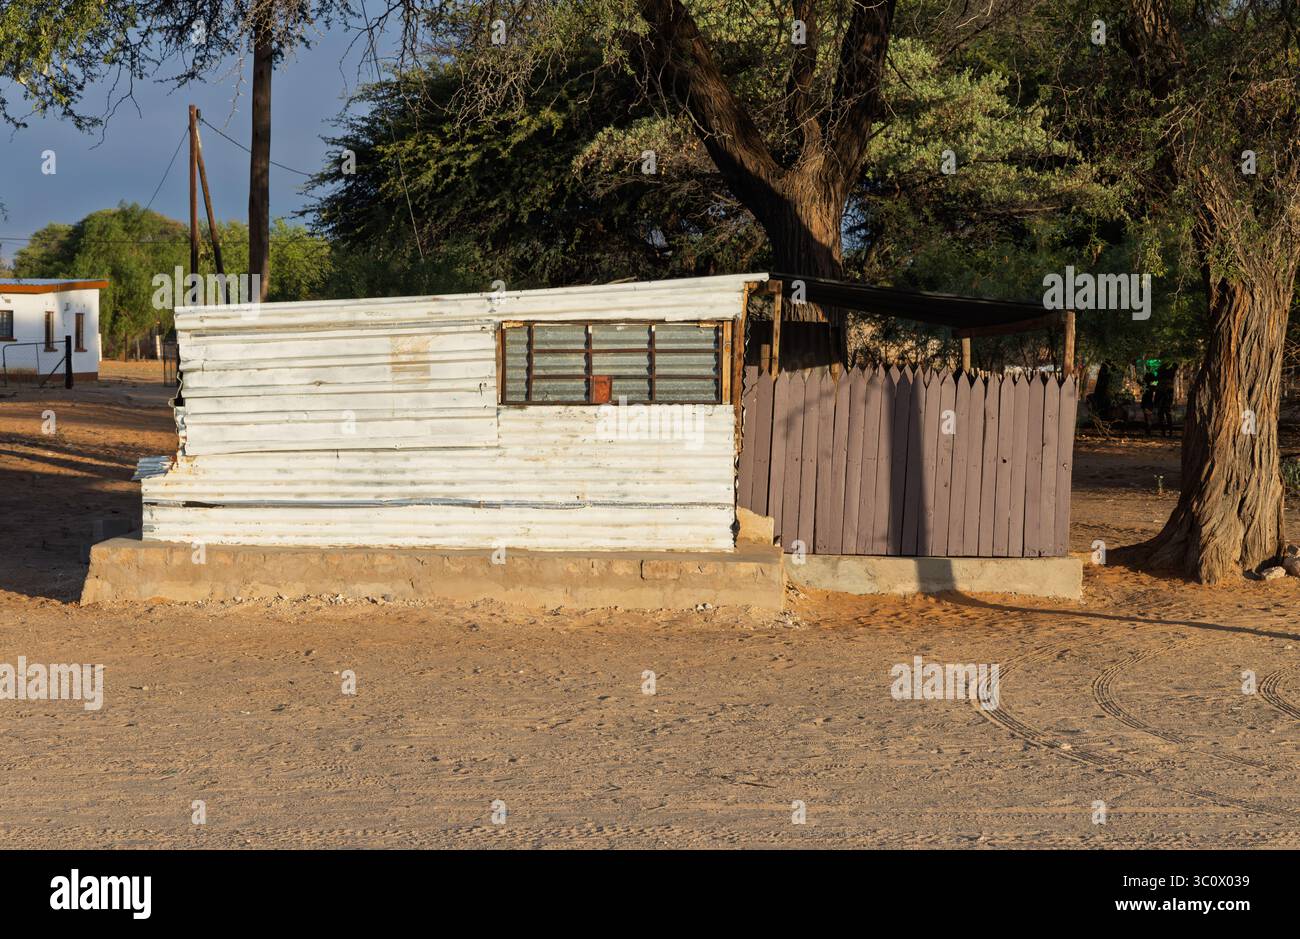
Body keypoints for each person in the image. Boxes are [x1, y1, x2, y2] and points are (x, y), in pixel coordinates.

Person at [1155, 361, 1179, 437]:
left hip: (1164, 396)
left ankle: (1166, 432)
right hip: (1166, 397)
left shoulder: (1162, 378)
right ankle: (1167, 432)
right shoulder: (1169, 376)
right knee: (1165, 414)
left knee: (1163, 414)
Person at [1140, 366, 1158, 435]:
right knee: (1148, 416)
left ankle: (1148, 430)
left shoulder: (1147, 387)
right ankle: (1148, 430)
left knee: (1147, 416)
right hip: (1149, 402)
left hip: (1146, 402)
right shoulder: (1152, 387)